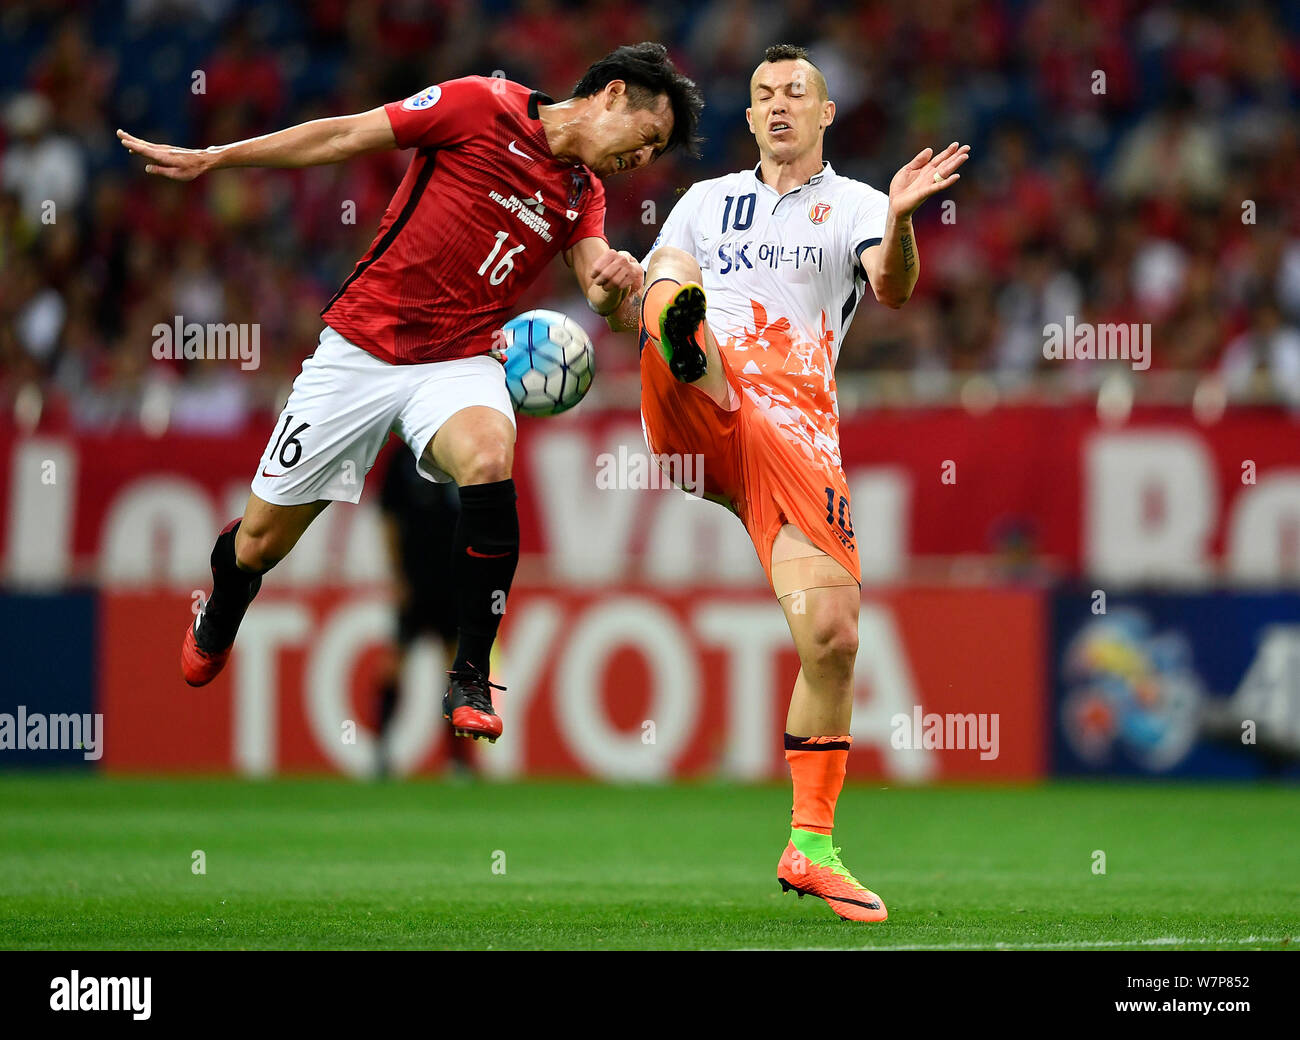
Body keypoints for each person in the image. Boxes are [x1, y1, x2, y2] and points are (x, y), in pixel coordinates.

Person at [118, 43, 702, 743]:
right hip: (360, 350)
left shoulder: (583, 196)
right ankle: (226, 599)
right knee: (260, 544)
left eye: (655, 154)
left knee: (489, 456)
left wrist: (613, 294)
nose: (642, 161)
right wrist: (220, 156)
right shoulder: (479, 106)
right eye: (645, 140)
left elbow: (601, 292)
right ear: (611, 95)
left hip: (459, 357)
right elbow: (343, 134)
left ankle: (471, 672)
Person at [607, 44, 968, 921]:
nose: (777, 105)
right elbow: (631, 300)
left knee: (835, 637)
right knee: (674, 283)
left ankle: (809, 846)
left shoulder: (856, 206)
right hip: (699, 412)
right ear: (751, 114)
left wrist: (908, 219)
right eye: (764, 93)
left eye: (795, 93)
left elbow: (893, 285)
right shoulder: (703, 202)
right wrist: (627, 292)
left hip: (793, 434)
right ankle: (689, 340)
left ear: (826, 111)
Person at [373, 444, 472, 777]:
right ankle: (380, 753)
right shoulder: (401, 459)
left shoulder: (461, 448)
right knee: (394, 664)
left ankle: (458, 760)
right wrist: (397, 575)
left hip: (453, 580)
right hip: (415, 580)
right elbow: (388, 517)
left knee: (455, 670)